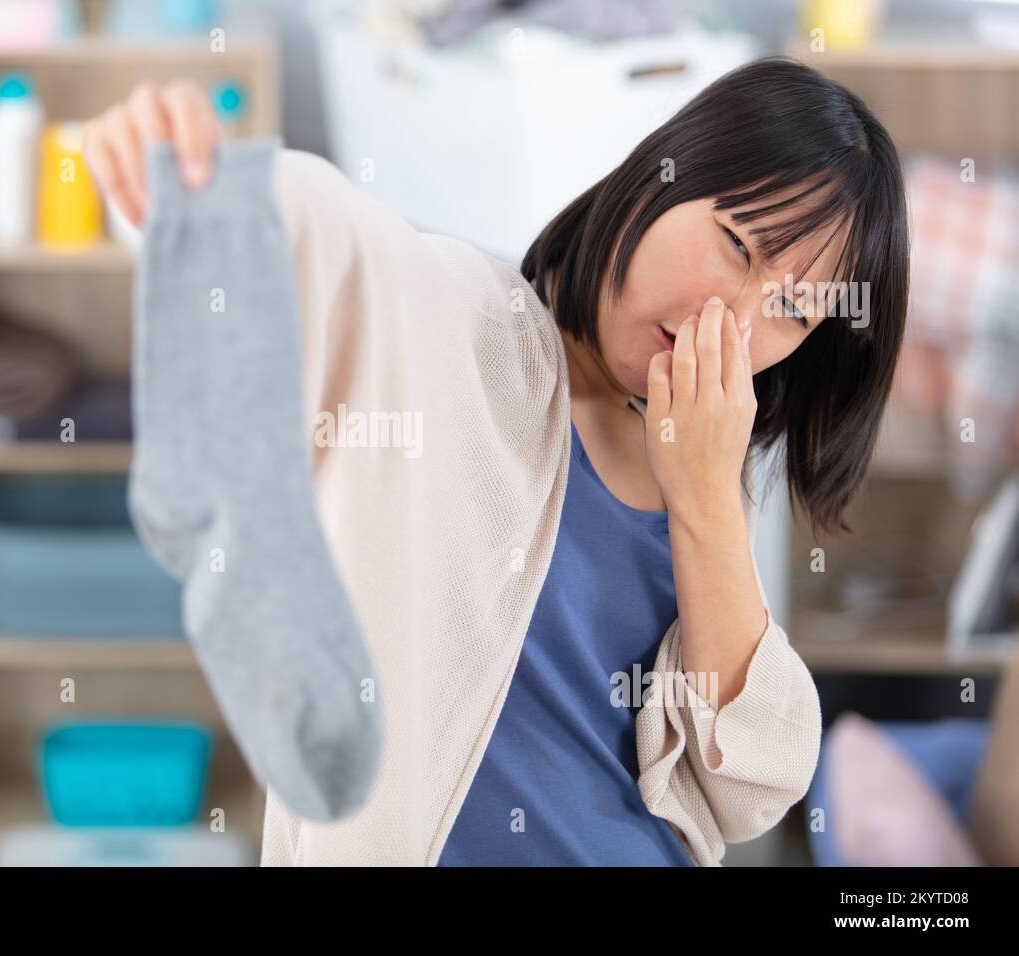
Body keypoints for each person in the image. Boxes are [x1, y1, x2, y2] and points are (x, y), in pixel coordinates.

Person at [83, 56, 909, 865]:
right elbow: (338, 249)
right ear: (666, 176)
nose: (731, 321)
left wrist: (704, 504)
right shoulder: (464, 322)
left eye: (793, 308)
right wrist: (203, 183)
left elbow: (755, 788)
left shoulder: (705, 454)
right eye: (736, 244)